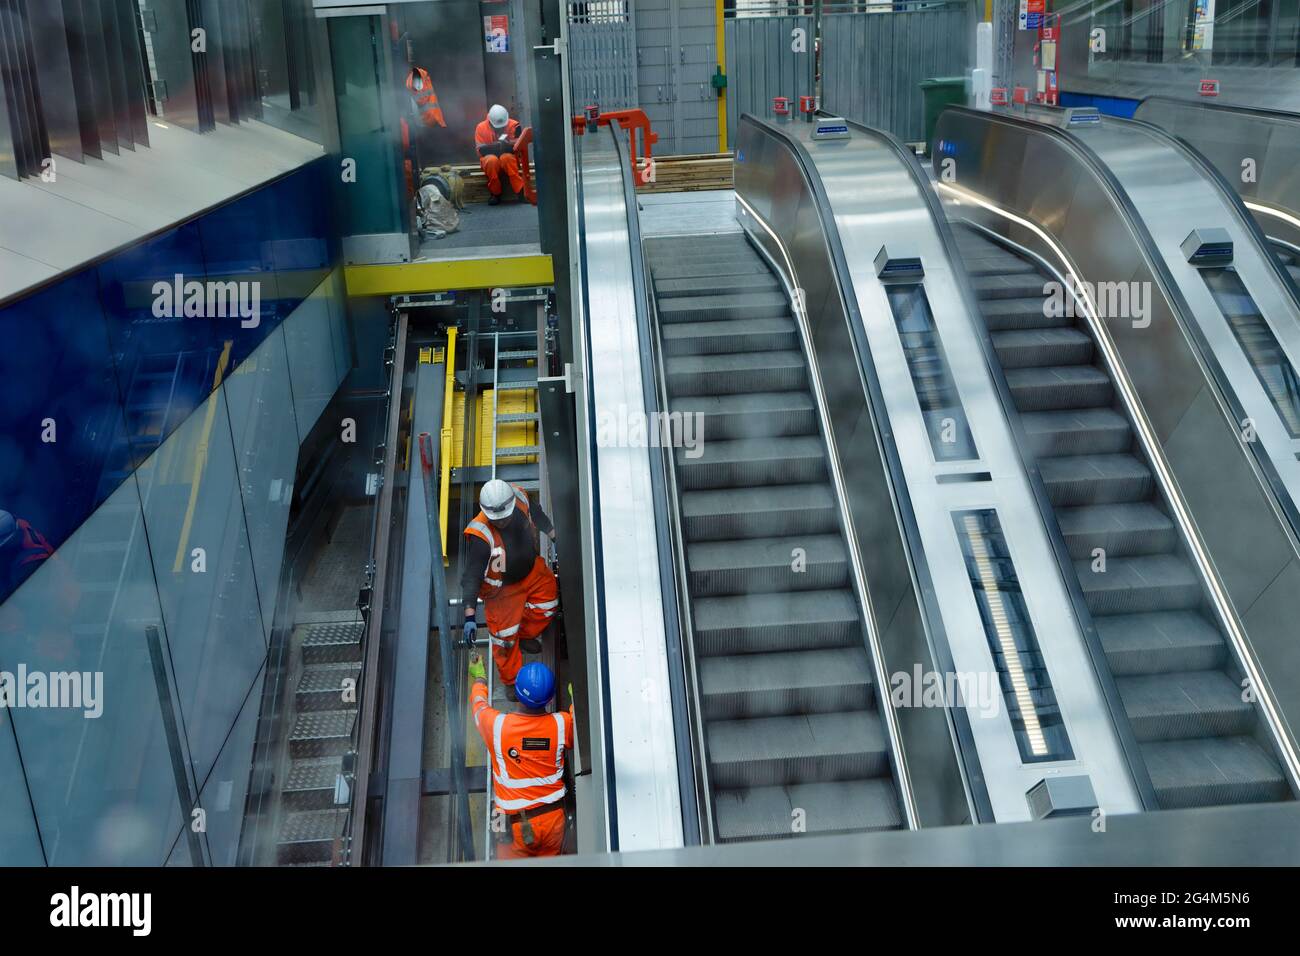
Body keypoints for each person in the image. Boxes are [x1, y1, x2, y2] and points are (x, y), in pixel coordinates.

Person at [461, 480, 558, 700]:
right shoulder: (481, 535)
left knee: (548, 604)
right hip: (502, 592)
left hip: (532, 571)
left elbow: (537, 514)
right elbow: (472, 577)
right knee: (504, 640)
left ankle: (522, 634)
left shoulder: (519, 497)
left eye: (505, 516)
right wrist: (469, 616)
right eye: (498, 519)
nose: (503, 521)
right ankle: (512, 682)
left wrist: (554, 535)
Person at [469, 657, 571, 858]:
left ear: (516, 693)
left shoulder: (496, 727)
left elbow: (478, 705)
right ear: (550, 699)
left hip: (511, 826)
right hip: (554, 820)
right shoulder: (562, 724)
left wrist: (479, 678)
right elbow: (582, 723)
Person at [474, 104, 524, 205]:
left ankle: (521, 192)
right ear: (490, 122)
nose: (500, 128)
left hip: (508, 155)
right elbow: (480, 150)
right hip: (490, 157)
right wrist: (496, 146)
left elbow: (519, 147)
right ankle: (495, 193)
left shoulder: (514, 126)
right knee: (491, 161)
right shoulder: (481, 127)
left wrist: (507, 145)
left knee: (507, 158)